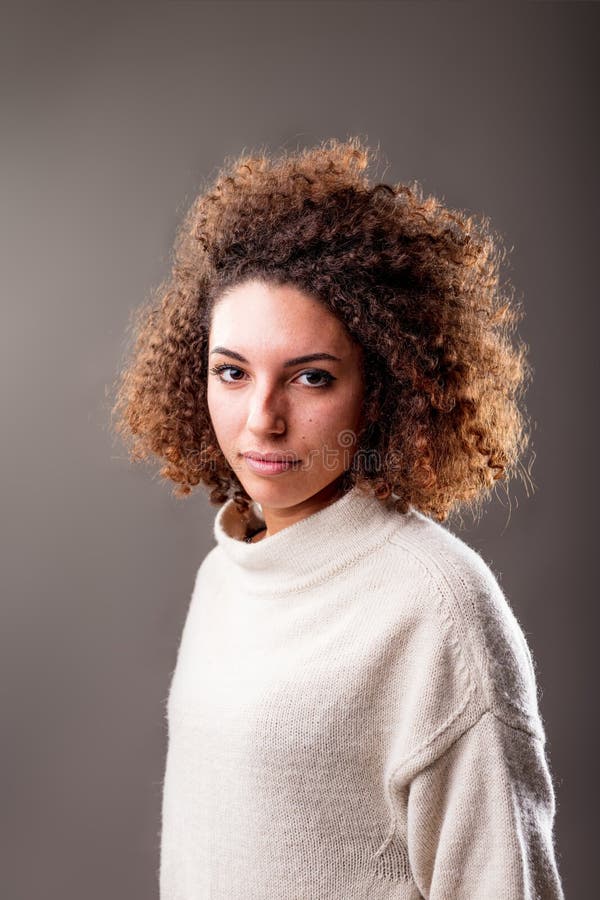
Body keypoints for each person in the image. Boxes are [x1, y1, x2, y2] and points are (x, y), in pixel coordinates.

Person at [110, 137, 565, 899]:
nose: (262, 419)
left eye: (311, 378)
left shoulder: (437, 605)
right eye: (232, 372)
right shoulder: (229, 570)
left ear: (383, 388)